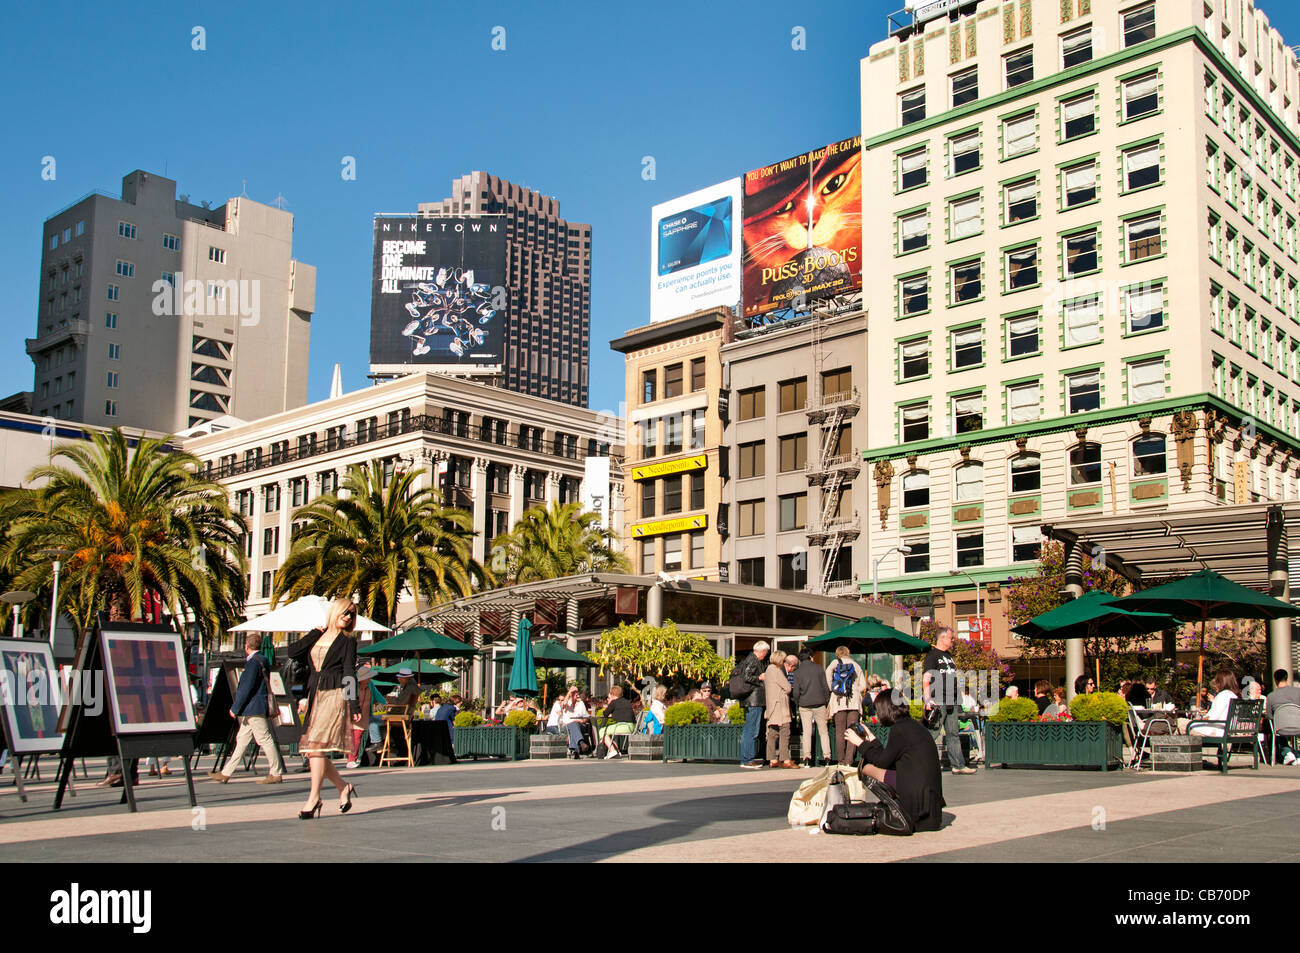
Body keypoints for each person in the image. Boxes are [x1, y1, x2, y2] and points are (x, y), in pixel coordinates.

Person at [287, 597, 362, 819]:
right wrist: (313, 634)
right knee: (314, 749)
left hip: (334, 695)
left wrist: (353, 702)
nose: (348, 617)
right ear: (335, 612)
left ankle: (314, 798)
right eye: (345, 612)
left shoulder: (348, 641)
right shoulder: (317, 635)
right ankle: (343, 787)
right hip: (315, 694)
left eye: (351, 614)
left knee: (316, 747)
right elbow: (293, 651)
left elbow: (349, 672)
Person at [845, 689, 945, 833]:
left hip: (914, 812)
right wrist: (872, 738)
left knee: (866, 768)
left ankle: (894, 807)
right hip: (931, 813)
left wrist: (860, 743)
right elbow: (888, 757)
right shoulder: (913, 726)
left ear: (885, 709)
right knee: (881, 766)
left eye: (878, 711)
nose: (877, 715)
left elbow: (882, 762)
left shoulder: (899, 729)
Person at [211, 632, 286, 784]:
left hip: (254, 707)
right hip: (255, 707)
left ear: (246, 647)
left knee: (265, 739)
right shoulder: (263, 660)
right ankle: (226, 773)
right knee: (242, 740)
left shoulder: (253, 663)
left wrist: (236, 708)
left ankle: (276, 772)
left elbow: (246, 687)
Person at [924, 628, 975, 775]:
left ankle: (958, 765)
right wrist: (928, 699)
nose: (953, 641)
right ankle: (923, 763)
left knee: (953, 733)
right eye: (951, 638)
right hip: (938, 698)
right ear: (942, 638)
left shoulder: (948, 655)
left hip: (952, 698)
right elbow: (926, 678)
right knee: (933, 732)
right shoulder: (932, 656)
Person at [791, 647, 831, 767]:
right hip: (819, 703)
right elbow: (825, 687)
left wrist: (798, 703)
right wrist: (826, 701)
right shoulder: (819, 669)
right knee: (823, 732)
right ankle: (827, 757)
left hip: (804, 704)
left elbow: (796, 692)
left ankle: (807, 758)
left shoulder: (797, 672)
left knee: (807, 732)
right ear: (811, 657)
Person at [826, 645, 866, 766]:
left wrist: (834, 689)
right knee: (852, 731)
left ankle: (841, 760)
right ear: (848, 653)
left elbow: (827, 675)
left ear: (837, 653)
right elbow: (863, 686)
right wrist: (856, 690)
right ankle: (849, 760)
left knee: (840, 731)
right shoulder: (856, 665)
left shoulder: (834, 663)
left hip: (839, 701)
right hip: (854, 703)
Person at [762, 650, 797, 768]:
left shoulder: (768, 670)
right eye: (783, 660)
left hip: (771, 706)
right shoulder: (776, 671)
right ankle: (785, 759)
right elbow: (787, 687)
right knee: (785, 731)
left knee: (772, 733)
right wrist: (785, 690)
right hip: (780, 706)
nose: (784, 662)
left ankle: (772, 759)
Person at [738, 641, 769, 769]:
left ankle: (746, 758)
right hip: (754, 700)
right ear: (761, 651)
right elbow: (746, 676)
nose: (766, 655)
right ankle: (747, 759)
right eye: (766, 652)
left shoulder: (751, 659)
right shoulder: (753, 660)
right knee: (751, 730)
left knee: (750, 729)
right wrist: (760, 678)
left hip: (752, 700)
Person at [1190, 669, 1240, 738]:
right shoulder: (1234, 696)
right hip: (1227, 730)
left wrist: (1200, 719)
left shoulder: (1222, 695)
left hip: (1215, 730)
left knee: (1180, 723)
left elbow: (1212, 717)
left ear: (1220, 682)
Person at [346, 664, 378, 769]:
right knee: (353, 737)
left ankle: (353, 759)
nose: (369, 679)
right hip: (353, 715)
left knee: (357, 737)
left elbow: (372, 701)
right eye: (368, 677)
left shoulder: (369, 689)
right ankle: (351, 759)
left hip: (363, 716)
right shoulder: (354, 688)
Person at [1266, 670, 1300, 764]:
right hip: (1299, 727)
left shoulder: (1271, 696)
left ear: (1275, 680)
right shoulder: (1298, 692)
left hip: (1281, 729)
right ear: (1287, 678)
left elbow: (1269, 716)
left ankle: (1287, 752)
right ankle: (1297, 755)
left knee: (1275, 728)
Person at [600, 685, 636, 759]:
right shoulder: (626, 701)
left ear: (612, 695)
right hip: (632, 727)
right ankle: (617, 751)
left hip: (622, 726)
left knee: (602, 731)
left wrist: (609, 707)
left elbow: (605, 713)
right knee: (608, 733)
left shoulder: (614, 703)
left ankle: (612, 751)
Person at [558, 686, 590, 757]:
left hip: (579, 725)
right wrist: (569, 692)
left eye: (577, 694)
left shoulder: (581, 703)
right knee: (573, 724)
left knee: (574, 725)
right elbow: (563, 705)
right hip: (566, 726)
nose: (577, 696)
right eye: (575, 694)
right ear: (571, 695)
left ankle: (575, 749)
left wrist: (582, 721)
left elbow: (586, 717)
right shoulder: (567, 703)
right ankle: (581, 744)